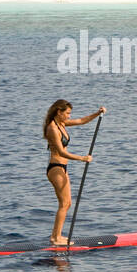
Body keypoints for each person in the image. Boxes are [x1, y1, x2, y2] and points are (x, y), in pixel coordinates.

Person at [43, 100, 104, 246]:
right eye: (67, 113)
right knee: (64, 203)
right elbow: (61, 152)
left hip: (61, 168)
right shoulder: (52, 128)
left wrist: (97, 113)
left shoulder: (61, 124)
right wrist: (82, 158)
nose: (69, 116)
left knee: (66, 203)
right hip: (56, 168)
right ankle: (55, 238)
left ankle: (56, 236)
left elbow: (82, 121)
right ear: (59, 112)